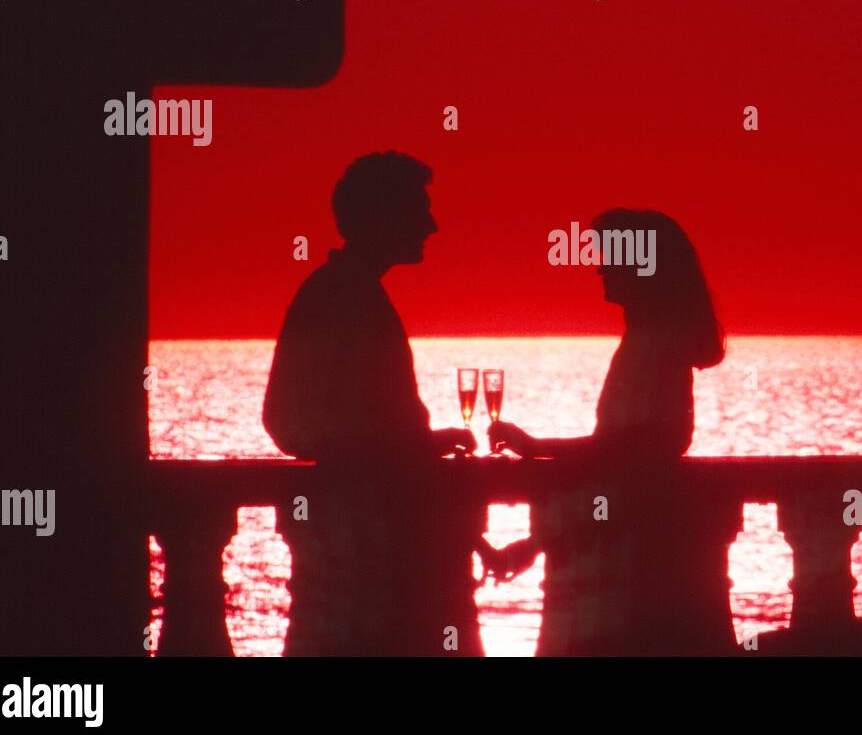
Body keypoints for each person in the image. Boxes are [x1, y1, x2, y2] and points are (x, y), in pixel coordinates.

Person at [263, 151, 489, 656]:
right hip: (366, 549)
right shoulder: (342, 297)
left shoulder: (344, 293)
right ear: (380, 217)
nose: (431, 225)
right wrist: (401, 449)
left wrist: (416, 443)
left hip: (374, 544)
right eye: (418, 210)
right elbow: (291, 419)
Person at [486, 209, 734, 655]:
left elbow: (638, 447)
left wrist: (536, 447)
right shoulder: (650, 338)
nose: (599, 266)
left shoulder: (654, 343)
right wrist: (539, 541)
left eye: (609, 254)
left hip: (634, 565)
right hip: (631, 551)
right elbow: (632, 451)